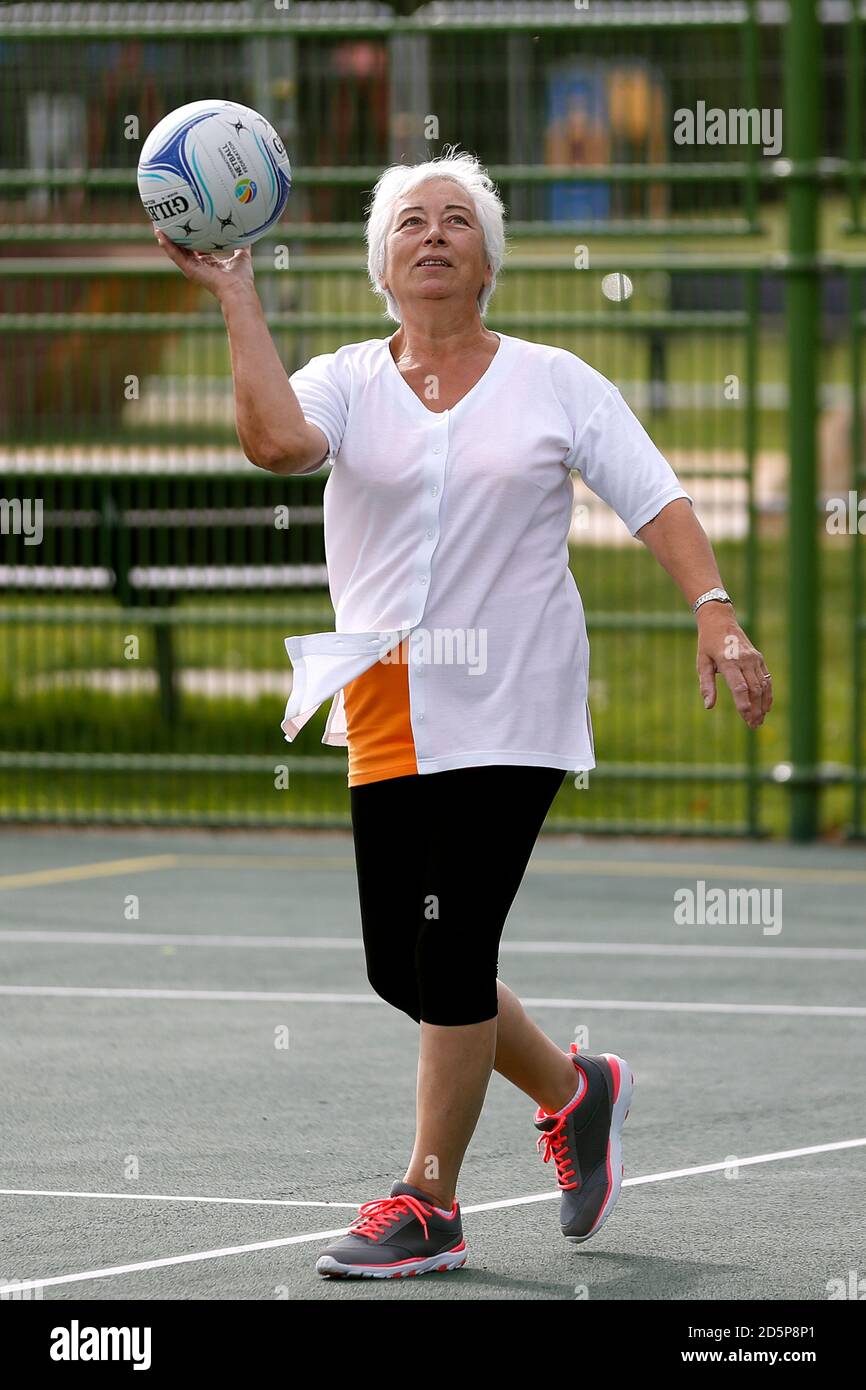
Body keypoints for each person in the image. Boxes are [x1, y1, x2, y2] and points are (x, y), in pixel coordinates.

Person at [154, 148, 772, 1281]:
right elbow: (276, 444)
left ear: (488, 261)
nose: (431, 235)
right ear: (382, 267)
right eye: (408, 225)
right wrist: (236, 293)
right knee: (403, 965)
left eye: (454, 222)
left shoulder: (554, 380)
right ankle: (573, 1087)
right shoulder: (344, 377)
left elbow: (656, 497)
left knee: (449, 944)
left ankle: (427, 1199)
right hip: (385, 701)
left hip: (512, 699)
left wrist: (715, 612)